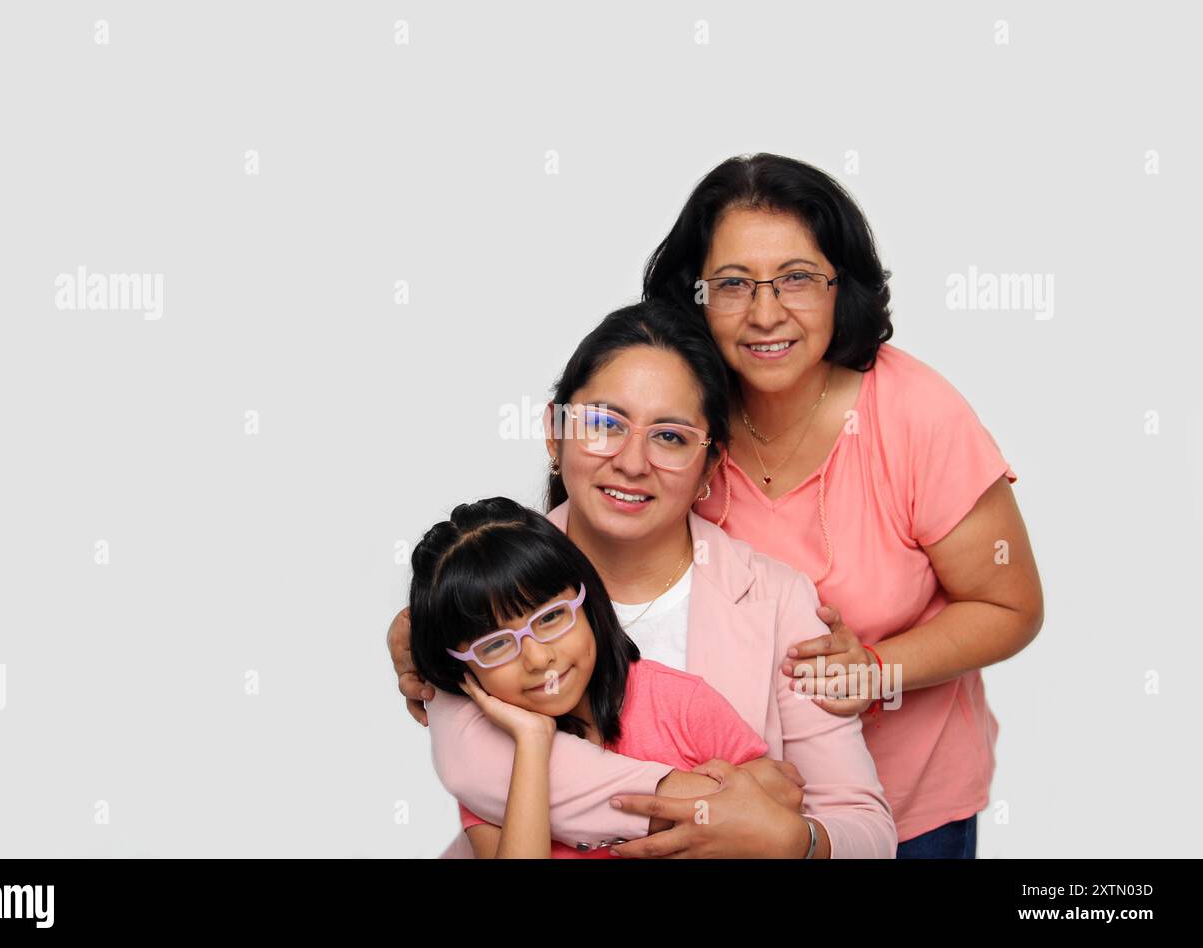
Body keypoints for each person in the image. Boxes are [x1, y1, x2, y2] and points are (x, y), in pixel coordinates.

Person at [640, 152, 1045, 856]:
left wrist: (875, 670)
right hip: (721, 808)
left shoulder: (916, 414)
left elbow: (1010, 606)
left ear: (842, 287)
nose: (766, 314)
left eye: (797, 279)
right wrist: (438, 621)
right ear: (694, 296)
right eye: (733, 284)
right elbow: (584, 538)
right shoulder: (673, 406)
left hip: (908, 808)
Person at [390, 301, 896, 858]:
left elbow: (865, 830)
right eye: (604, 424)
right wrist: (704, 803)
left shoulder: (776, 599)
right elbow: (473, 764)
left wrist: (788, 839)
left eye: (671, 437)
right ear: (554, 434)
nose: (633, 462)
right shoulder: (475, 584)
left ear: (710, 465)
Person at [408, 496, 776, 858]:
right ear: (463, 670)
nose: (538, 658)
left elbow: (779, 804)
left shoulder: (679, 703)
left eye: (551, 618)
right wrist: (533, 743)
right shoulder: (492, 766)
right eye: (496, 645)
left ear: (586, 598)